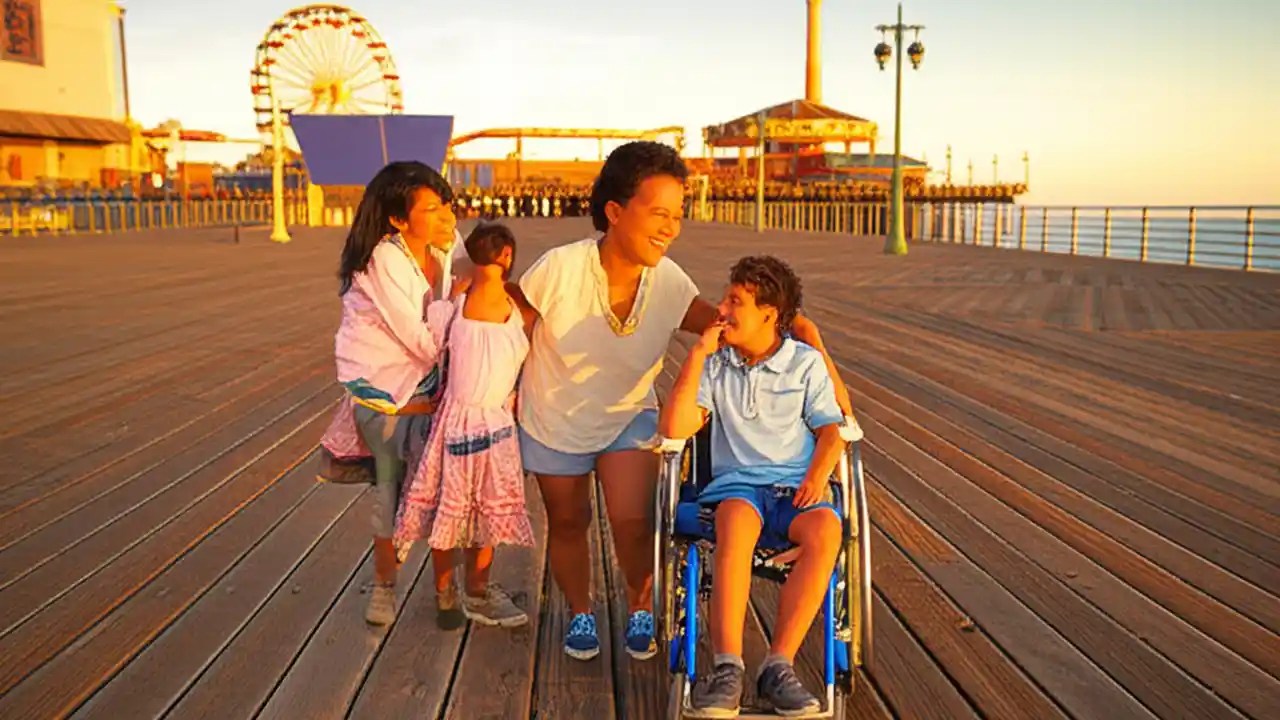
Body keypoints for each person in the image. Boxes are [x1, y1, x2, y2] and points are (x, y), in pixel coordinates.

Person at [510, 141, 851, 662]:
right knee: (569, 521)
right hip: (552, 414)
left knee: (633, 520)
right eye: (659, 213)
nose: (672, 228)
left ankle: (640, 603)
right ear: (616, 211)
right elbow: (513, 329)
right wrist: (480, 278)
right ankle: (580, 610)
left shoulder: (668, 280)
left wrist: (791, 329)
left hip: (628, 414)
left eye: (679, 215)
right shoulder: (561, 267)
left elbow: (722, 324)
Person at [659, 255, 845, 718]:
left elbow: (832, 430)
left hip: (794, 490)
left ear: (769, 314)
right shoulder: (717, 365)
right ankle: (728, 667)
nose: (721, 309)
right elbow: (675, 427)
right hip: (737, 490)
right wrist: (698, 354)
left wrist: (818, 476)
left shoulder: (804, 364)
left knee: (825, 531)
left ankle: (778, 666)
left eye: (734, 301)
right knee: (736, 521)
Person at [317, 160, 459, 626]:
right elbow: (416, 334)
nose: (445, 217)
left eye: (446, 206)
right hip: (386, 393)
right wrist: (467, 348)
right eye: (433, 209)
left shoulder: (437, 251)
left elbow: (453, 297)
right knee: (390, 492)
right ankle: (383, 587)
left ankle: (444, 591)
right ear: (399, 219)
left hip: (426, 387)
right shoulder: (384, 258)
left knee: (441, 493)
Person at [394, 223, 536, 630]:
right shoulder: (518, 314)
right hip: (497, 425)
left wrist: (452, 292)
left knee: (448, 511)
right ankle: (478, 591)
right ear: (507, 255)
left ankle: (446, 595)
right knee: (486, 513)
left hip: (454, 422)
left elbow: (430, 345)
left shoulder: (451, 308)